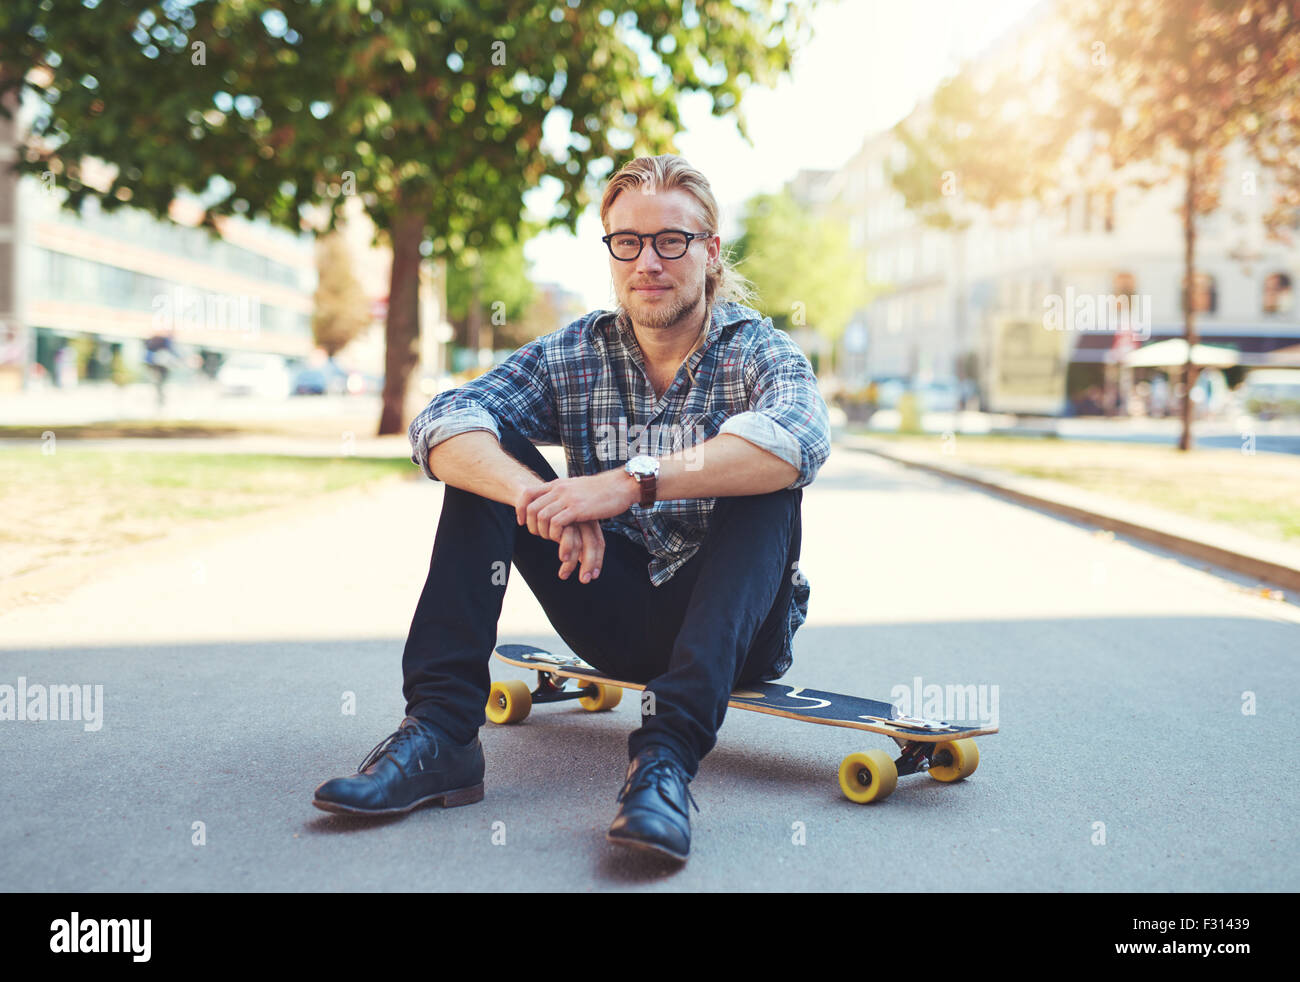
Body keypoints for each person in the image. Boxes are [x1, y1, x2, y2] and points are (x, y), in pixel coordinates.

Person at [313, 154, 831, 865]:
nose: (648, 261)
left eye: (671, 240)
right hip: (610, 613)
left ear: (710, 253)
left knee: (767, 478)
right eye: (628, 241)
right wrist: (541, 497)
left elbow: (799, 437)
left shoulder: (757, 352)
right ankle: (441, 735)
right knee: (482, 452)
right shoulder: (577, 351)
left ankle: (665, 764)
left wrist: (627, 482)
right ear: (611, 253)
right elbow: (442, 422)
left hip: (738, 633)